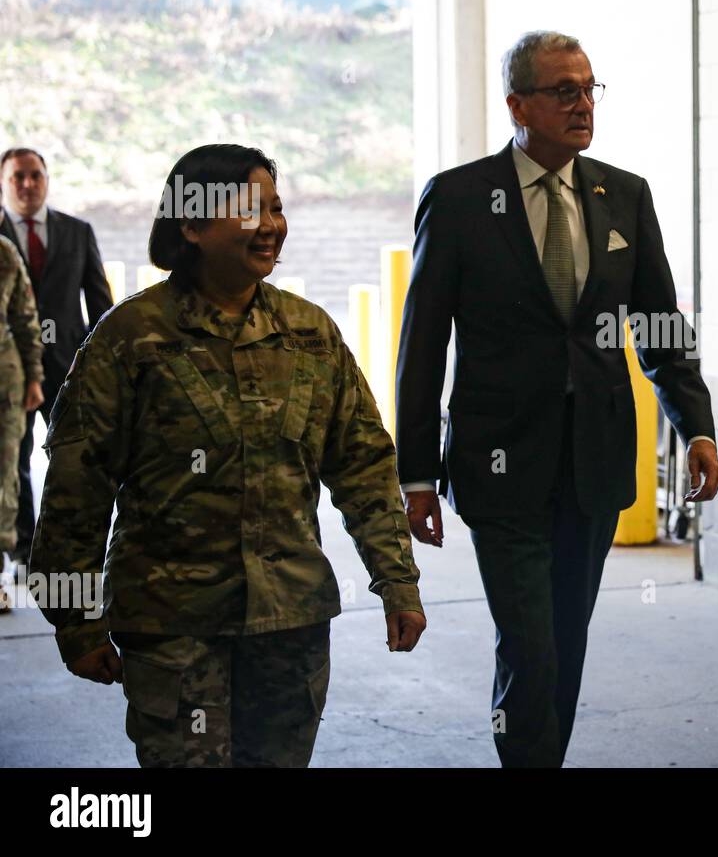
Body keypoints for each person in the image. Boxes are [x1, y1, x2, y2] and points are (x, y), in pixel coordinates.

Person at [30, 144, 426, 767]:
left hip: (289, 627)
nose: (272, 225)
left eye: (277, 207)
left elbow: (363, 466)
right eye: (250, 210)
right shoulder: (129, 339)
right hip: (172, 630)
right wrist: (75, 622)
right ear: (191, 225)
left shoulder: (310, 334)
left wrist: (397, 582)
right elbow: (76, 492)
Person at [396, 30, 718, 768]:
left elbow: (661, 326)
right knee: (529, 643)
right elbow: (422, 344)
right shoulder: (457, 199)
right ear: (518, 104)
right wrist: (415, 473)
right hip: (499, 461)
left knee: (565, 643)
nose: (582, 104)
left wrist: (695, 426)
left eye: (589, 89)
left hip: (596, 462)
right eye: (563, 91)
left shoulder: (624, 195)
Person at [0, 147, 114, 567]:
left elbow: (101, 306)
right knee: (12, 462)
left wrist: (99, 364)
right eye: (17, 177)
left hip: (70, 366)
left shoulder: (76, 231)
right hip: (8, 373)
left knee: (75, 460)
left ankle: (72, 549)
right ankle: (26, 552)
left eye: (35, 175)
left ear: (46, 178)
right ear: (3, 182)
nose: (27, 185)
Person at [0, 235, 44, 614]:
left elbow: (26, 318)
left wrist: (33, 376)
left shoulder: (5, 254)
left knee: (4, 476)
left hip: (5, 381)